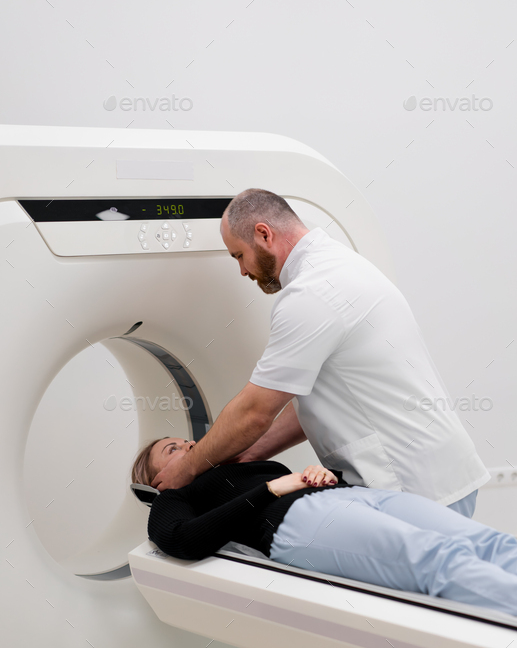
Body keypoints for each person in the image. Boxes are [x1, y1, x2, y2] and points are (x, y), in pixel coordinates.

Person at [151, 190, 490, 519]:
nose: (242, 270)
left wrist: (191, 466)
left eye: (239, 255)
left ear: (264, 234)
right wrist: (244, 455)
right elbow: (312, 406)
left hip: (414, 485)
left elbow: (255, 412)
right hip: (437, 471)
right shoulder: (340, 265)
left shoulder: (310, 294)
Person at [134, 437, 517, 620]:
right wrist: (272, 489)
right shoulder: (177, 497)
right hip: (296, 525)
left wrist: (318, 475)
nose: (190, 445)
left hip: (344, 496)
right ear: (157, 480)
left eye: (188, 439)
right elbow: (181, 541)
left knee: (485, 541)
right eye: (173, 449)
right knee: (433, 559)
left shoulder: (236, 461)